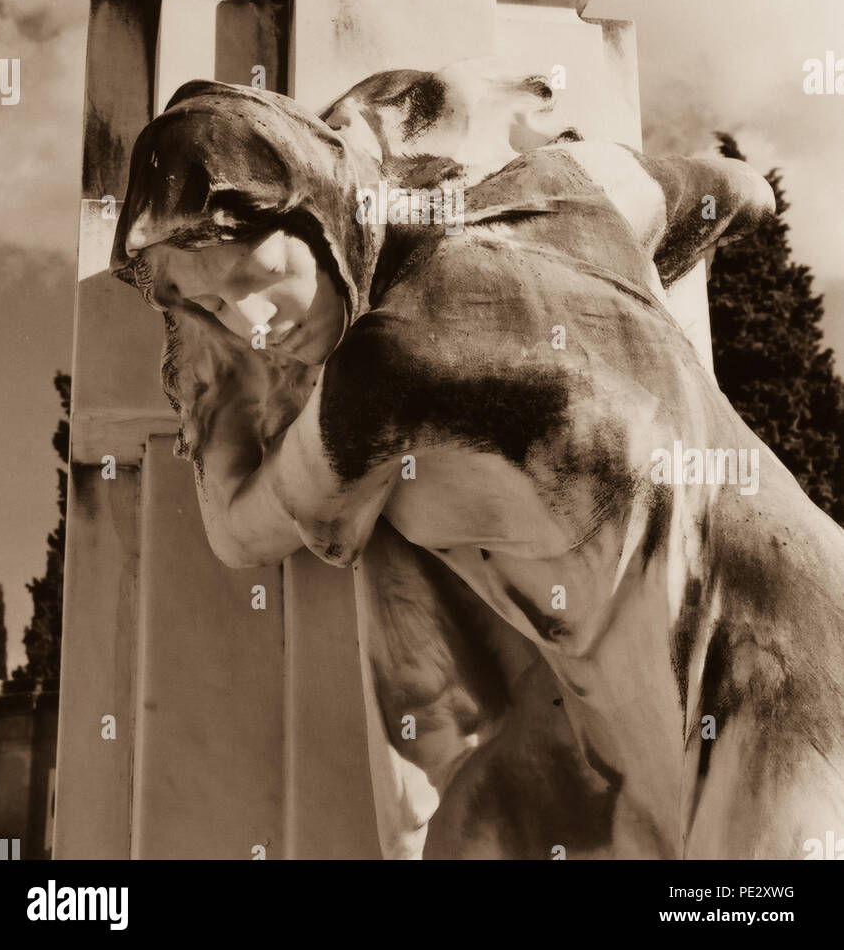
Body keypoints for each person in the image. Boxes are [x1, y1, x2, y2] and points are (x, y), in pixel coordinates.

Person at [112, 70, 844, 860]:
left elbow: (238, 531)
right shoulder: (564, 190)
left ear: (319, 211)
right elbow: (737, 192)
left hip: (771, 669)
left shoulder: (385, 368)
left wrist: (215, 397)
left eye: (255, 282)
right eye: (214, 308)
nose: (252, 327)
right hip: (611, 719)